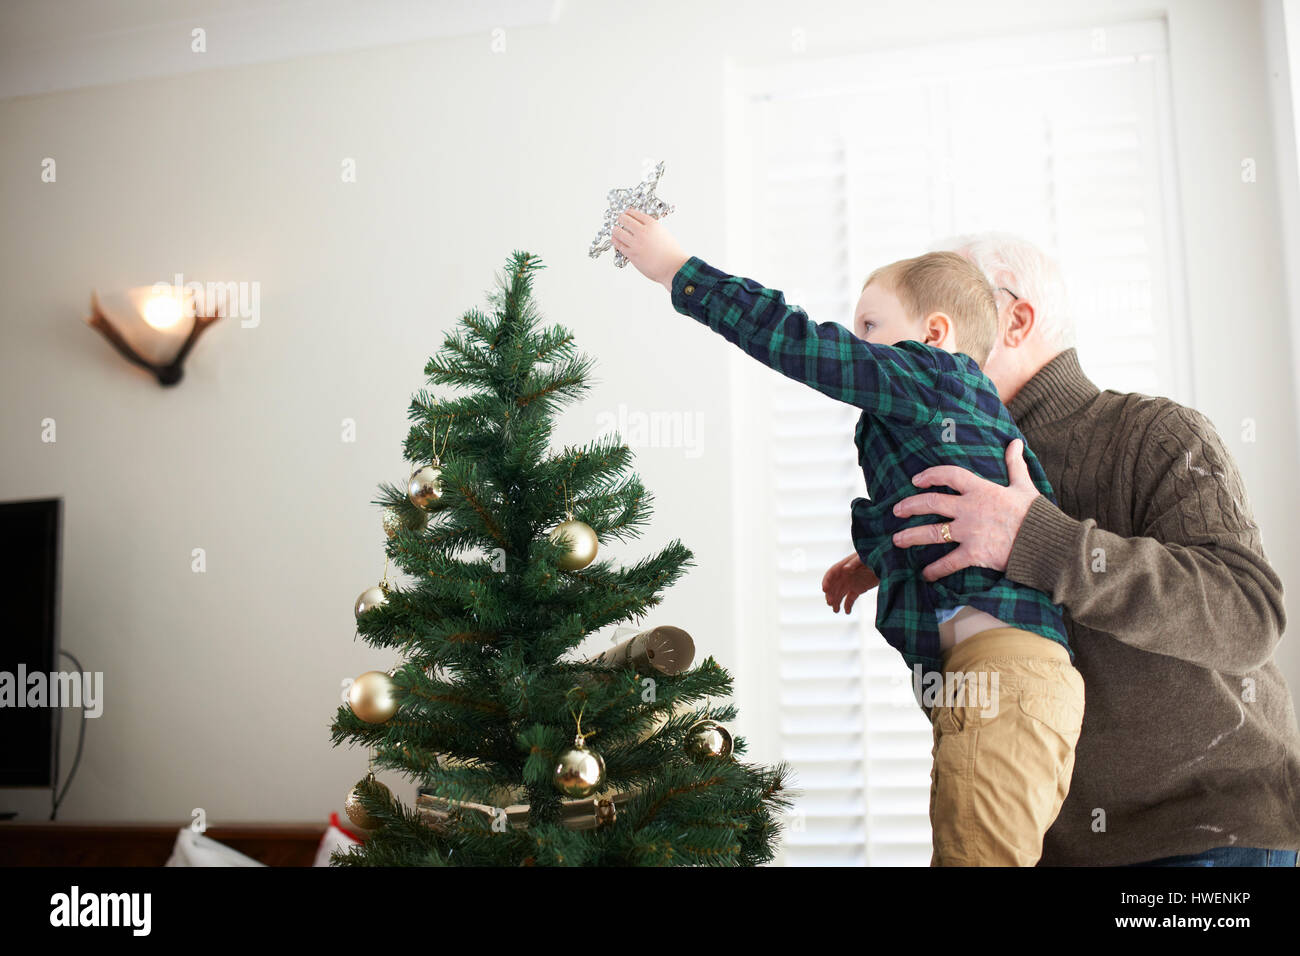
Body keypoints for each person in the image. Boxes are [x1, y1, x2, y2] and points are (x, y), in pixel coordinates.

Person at [610, 208, 1084, 866]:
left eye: (870, 327)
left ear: (934, 334)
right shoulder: (974, 413)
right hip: (1000, 681)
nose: (857, 343)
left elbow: (800, 342)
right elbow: (963, 514)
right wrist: (875, 557)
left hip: (1002, 679)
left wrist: (677, 272)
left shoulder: (930, 375)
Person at [835, 231, 1300, 867]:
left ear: (1017, 319)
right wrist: (893, 561)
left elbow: (1248, 615)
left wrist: (1032, 538)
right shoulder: (947, 470)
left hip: (1209, 838)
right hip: (1052, 848)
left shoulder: (1156, 434)